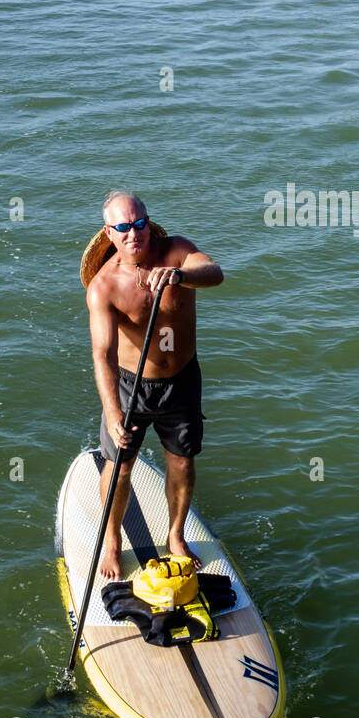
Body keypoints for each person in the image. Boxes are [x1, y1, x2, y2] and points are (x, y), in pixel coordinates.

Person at [84, 190, 224, 580]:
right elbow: (103, 354)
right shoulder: (104, 286)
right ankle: (112, 539)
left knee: (181, 461)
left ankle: (175, 536)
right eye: (124, 227)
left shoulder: (177, 251)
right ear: (109, 233)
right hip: (132, 389)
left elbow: (215, 272)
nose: (134, 233)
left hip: (181, 381)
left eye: (139, 223)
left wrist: (180, 276)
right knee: (120, 467)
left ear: (149, 222)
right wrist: (113, 413)